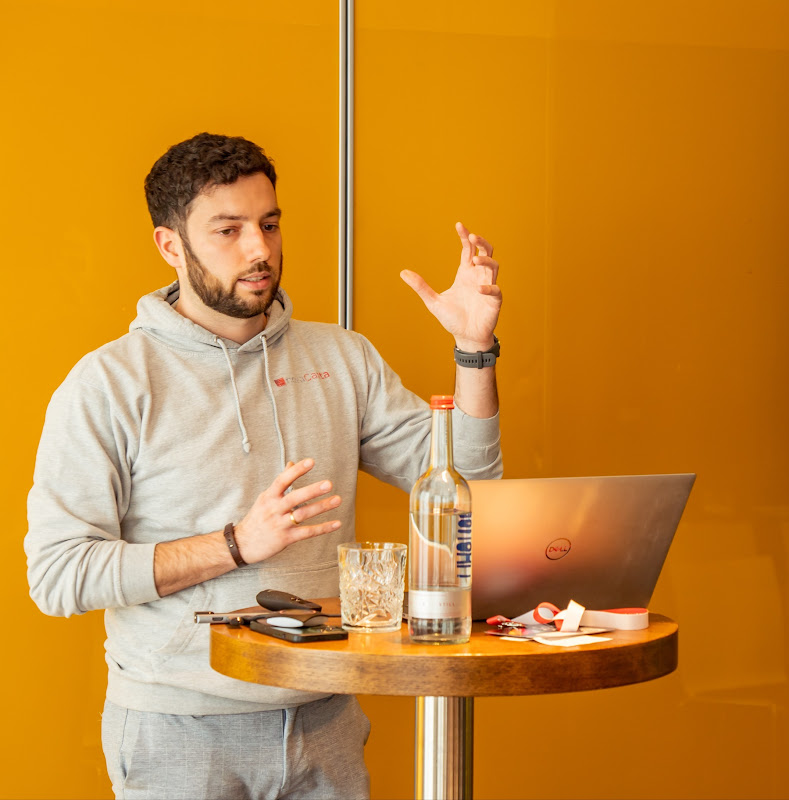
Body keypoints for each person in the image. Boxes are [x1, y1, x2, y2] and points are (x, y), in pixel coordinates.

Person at [25, 132, 502, 800]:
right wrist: (234, 545)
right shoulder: (109, 384)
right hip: (179, 729)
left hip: (327, 716)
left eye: (269, 224)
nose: (259, 250)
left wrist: (474, 350)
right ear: (170, 245)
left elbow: (467, 483)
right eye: (228, 230)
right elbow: (58, 576)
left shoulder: (342, 358)